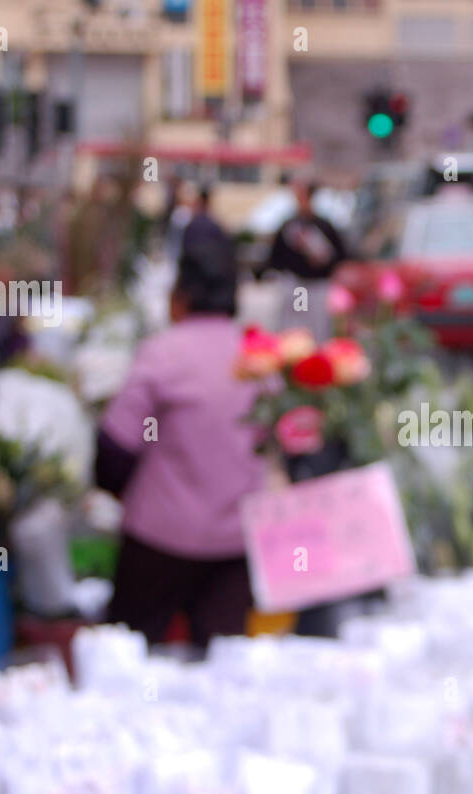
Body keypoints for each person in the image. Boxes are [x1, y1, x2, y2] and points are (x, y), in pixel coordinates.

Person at [95, 230, 268, 648]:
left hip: (159, 539)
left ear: (180, 297)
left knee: (129, 656)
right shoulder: (259, 356)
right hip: (235, 542)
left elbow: (115, 448)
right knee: (221, 665)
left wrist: (121, 492)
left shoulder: (162, 352)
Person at [265, 179, 348, 341]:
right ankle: (298, 356)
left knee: (318, 326)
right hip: (299, 286)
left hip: (318, 285)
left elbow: (339, 255)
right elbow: (276, 257)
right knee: (298, 324)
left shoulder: (323, 225)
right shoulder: (289, 225)